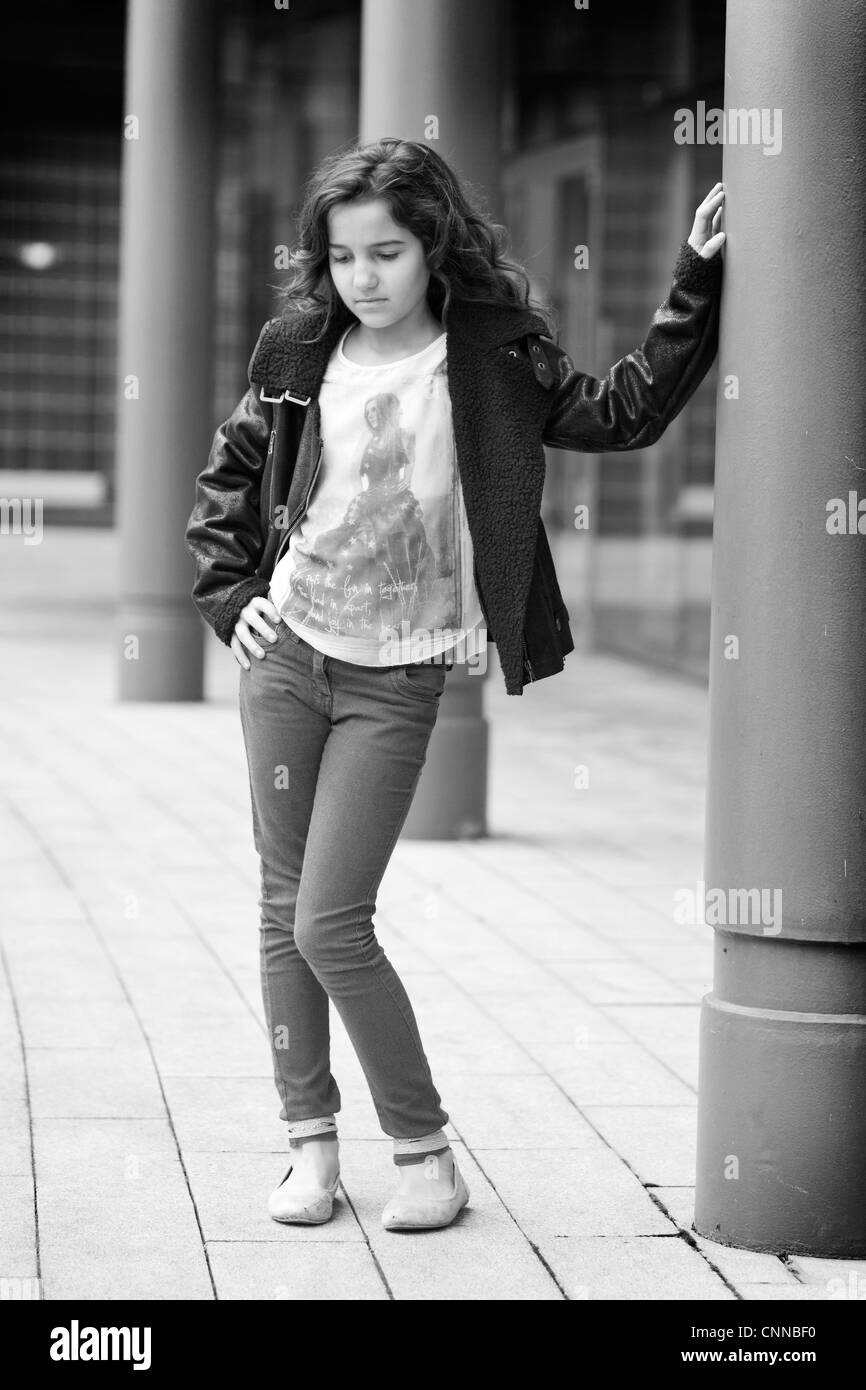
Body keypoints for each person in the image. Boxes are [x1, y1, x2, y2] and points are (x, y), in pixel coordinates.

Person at [185, 137, 725, 1233]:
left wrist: (694, 282)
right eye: (341, 258)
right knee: (281, 908)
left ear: (433, 246)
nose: (362, 278)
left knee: (331, 919)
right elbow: (233, 470)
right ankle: (310, 1147)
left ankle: (425, 1149)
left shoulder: (490, 355)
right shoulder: (296, 347)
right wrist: (224, 588)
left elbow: (621, 413)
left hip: (400, 676)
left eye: (386, 252)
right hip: (286, 657)